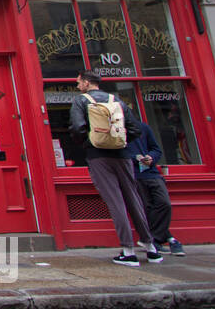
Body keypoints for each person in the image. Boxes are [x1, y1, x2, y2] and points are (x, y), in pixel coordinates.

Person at [69, 70, 162, 266]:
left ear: (86, 83)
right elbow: (135, 128)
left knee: (115, 201)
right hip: (123, 155)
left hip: (98, 157)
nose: (77, 86)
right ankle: (151, 248)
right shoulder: (116, 99)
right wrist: (120, 142)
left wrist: (88, 143)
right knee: (133, 198)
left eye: (79, 82)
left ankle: (128, 251)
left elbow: (77, 128)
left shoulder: (81, 101)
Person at [128, 120, 186, 257]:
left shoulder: (143, 128)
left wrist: (151, 158)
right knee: (146, 208)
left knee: (164, 203)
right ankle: (168, 239)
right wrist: (136, 159)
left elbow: (156, 149)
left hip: (152, 173)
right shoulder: (116, 131)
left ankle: (152, 239)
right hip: (133, 174)